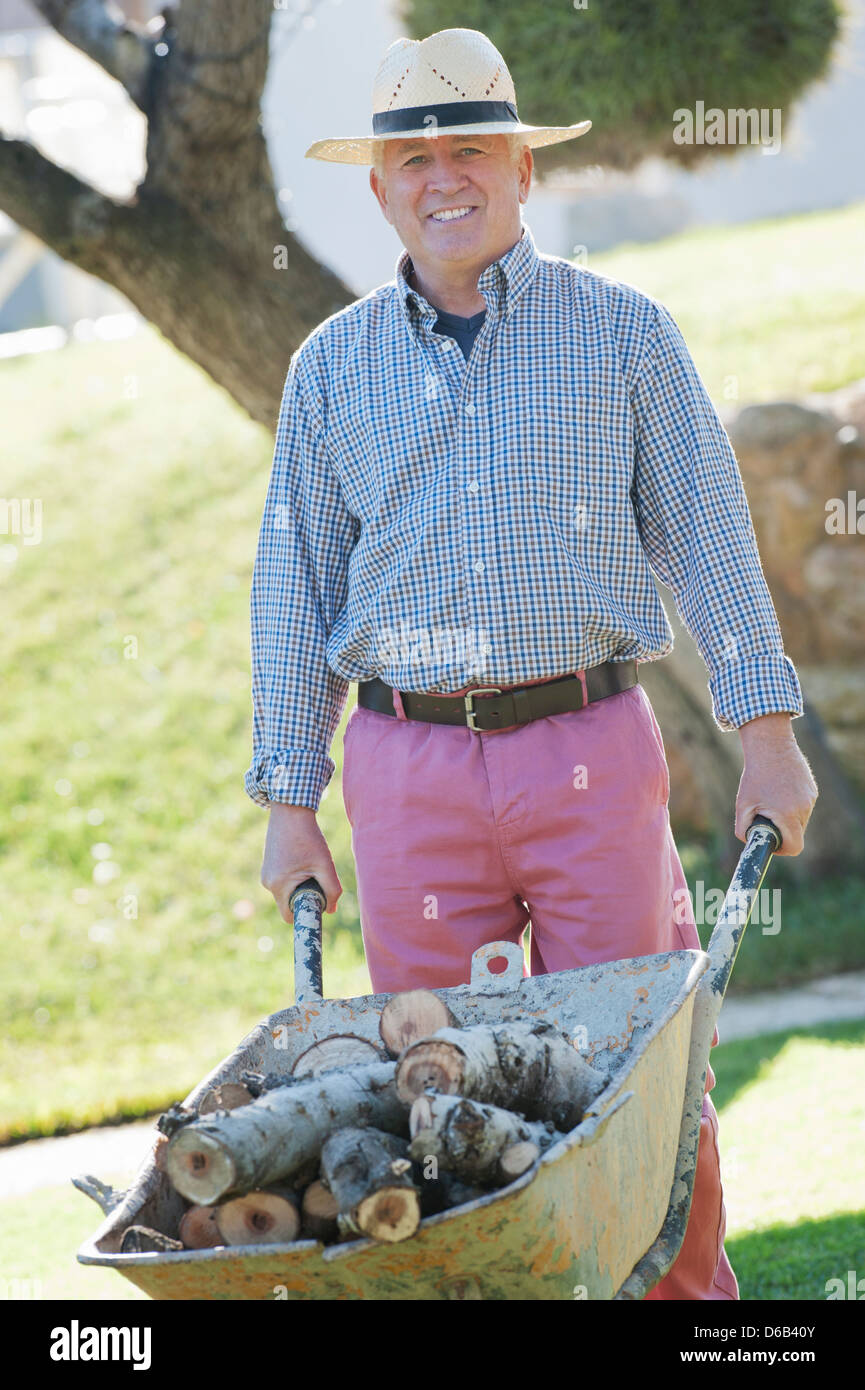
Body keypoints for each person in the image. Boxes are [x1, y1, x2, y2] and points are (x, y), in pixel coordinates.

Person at [245, 28, 818, 1298]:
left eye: (470, 151)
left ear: (521, 167)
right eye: (415, 159)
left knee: (642, 1070)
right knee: (436, 1084)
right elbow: (294, 591)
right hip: (403, 776)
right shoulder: (329, 368)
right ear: (381, 188)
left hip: (586, 759)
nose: (444, 178)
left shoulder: (624, 334)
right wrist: (289, 803)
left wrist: (765, 730)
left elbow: (710, 539)